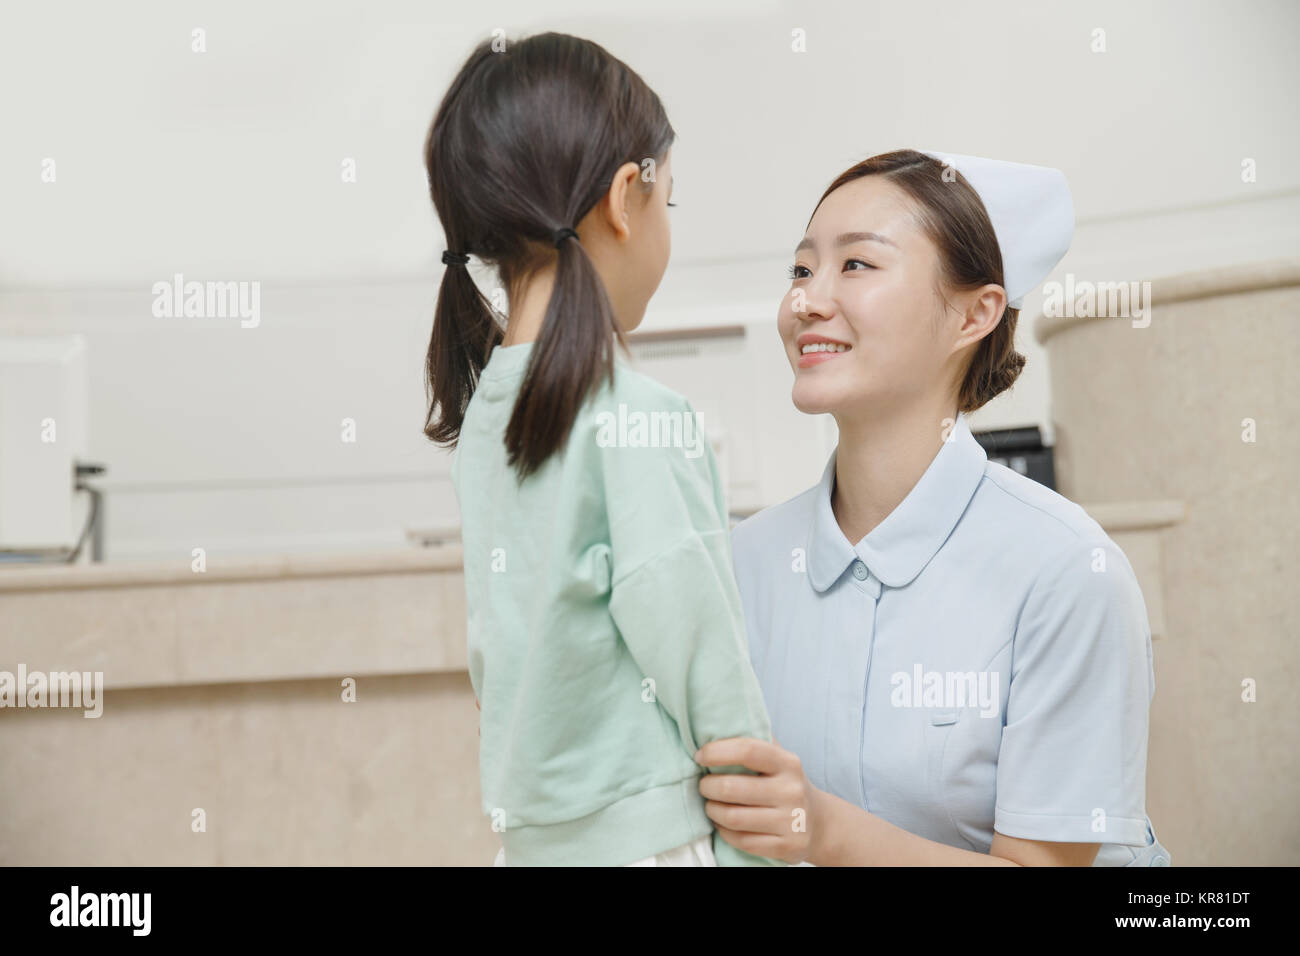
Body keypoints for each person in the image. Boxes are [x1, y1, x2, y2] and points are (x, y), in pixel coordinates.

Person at [695, 149, 1171, 866]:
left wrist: (823, 832)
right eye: (801, 269)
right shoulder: (743, 565)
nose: (806, 301)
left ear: (974, 314)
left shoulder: (1068, 571)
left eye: (856, 265)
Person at [424, 32, 781, 867]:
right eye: (671, 203)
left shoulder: (485, 420)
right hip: (656, 845)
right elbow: (702, 662)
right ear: (627, 197)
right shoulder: (641, 416)